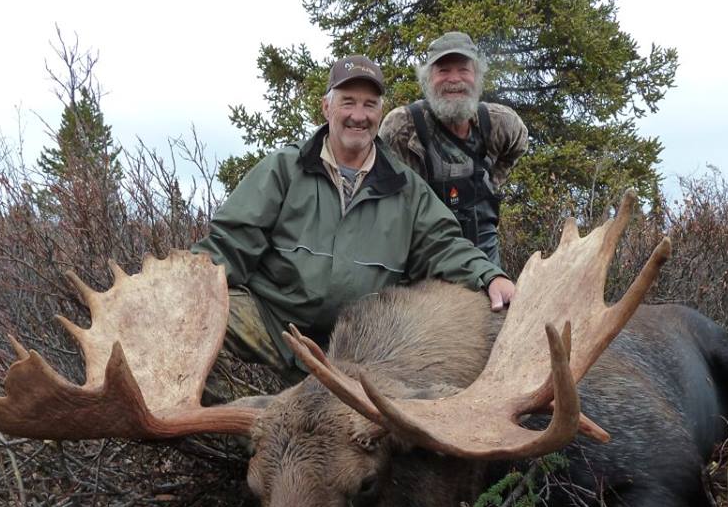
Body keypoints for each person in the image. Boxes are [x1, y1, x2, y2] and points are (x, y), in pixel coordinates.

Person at [191, 55, 515, 384]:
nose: (358, 116)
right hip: (278, 327)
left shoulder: (406, 189)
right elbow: (230, 244)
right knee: (199, 313)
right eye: (348, 102)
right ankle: (239, 427)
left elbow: (444, 246)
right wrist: (183, 284)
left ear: (380, 113)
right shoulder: (284, 170)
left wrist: (490, 277)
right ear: (326, 107)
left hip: (365, 349)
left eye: (369, 105)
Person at [379, 32, 529, 265]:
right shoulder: (402, 127)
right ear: (428, 79)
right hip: (425, 255)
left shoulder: (502, 122)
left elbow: (518, 147)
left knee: (501, 301)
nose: (454, 79)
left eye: (463, 69)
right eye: (443, 70)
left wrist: (492, 180)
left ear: (477, 76)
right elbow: (385, 193)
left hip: (484, 250)